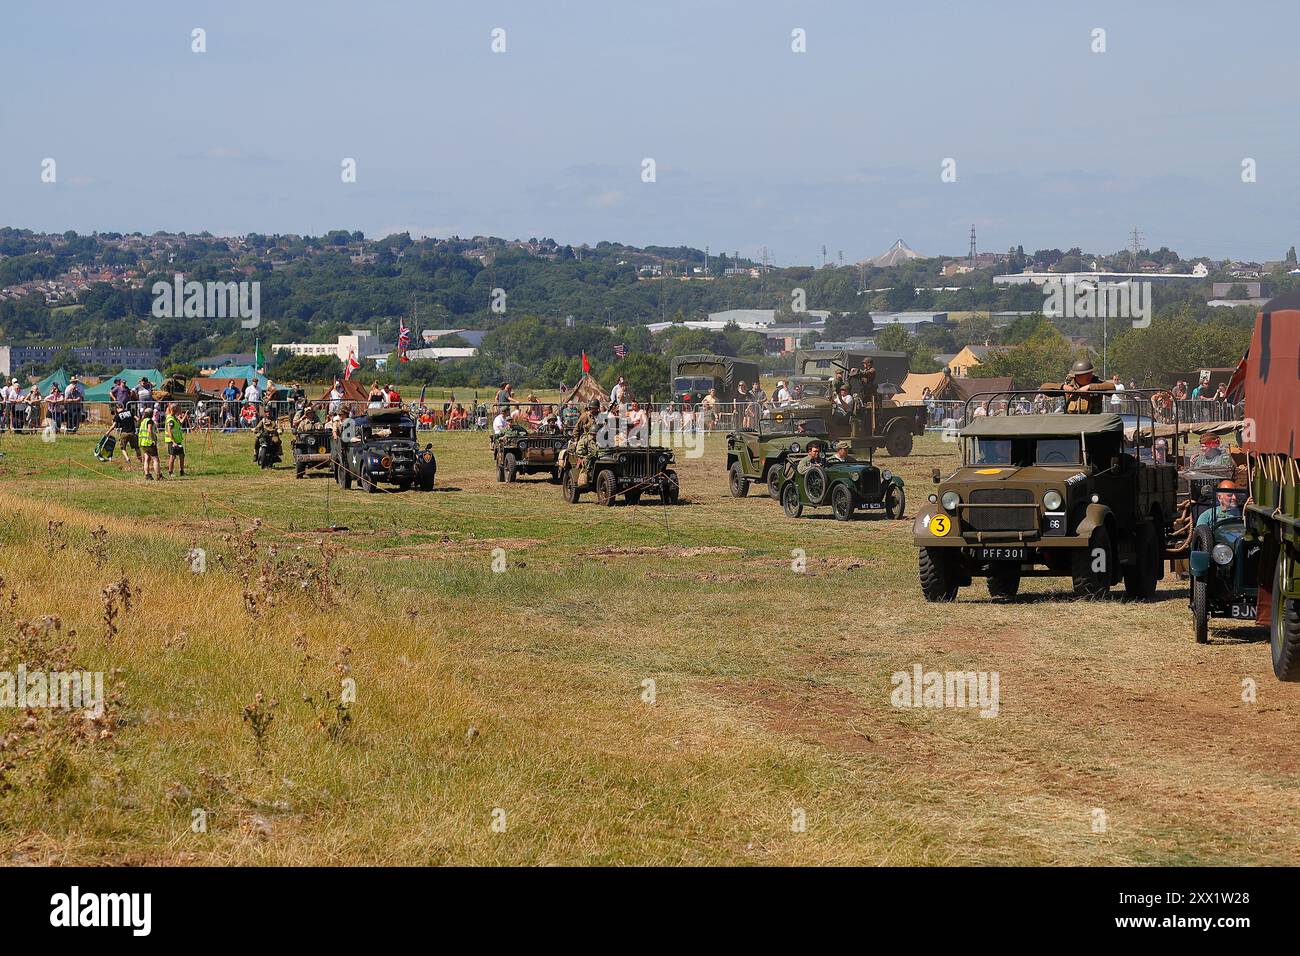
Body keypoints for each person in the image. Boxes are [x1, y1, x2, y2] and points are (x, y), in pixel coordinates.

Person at [164, 403, 186, 477]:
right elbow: (169, 431)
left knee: (182, 455)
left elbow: (180, 423)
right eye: (178, 409)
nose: (179, 410)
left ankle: (182, 471)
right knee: (172, 456)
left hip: (178, 440)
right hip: (172, 441)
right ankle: (170, 472)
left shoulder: (174, 417)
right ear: (175, 410)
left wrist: (185, 416)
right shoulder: (170, 419)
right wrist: (173, 441)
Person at [137, 412, 161, 480]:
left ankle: (147, 475)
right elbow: (149, 430)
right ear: (151, 414)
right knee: (155, 459)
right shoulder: (149, 421)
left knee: (147, 459)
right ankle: (159, 475)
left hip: (143, 442)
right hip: (149, 442)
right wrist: (153, 440)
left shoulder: (143, 421)